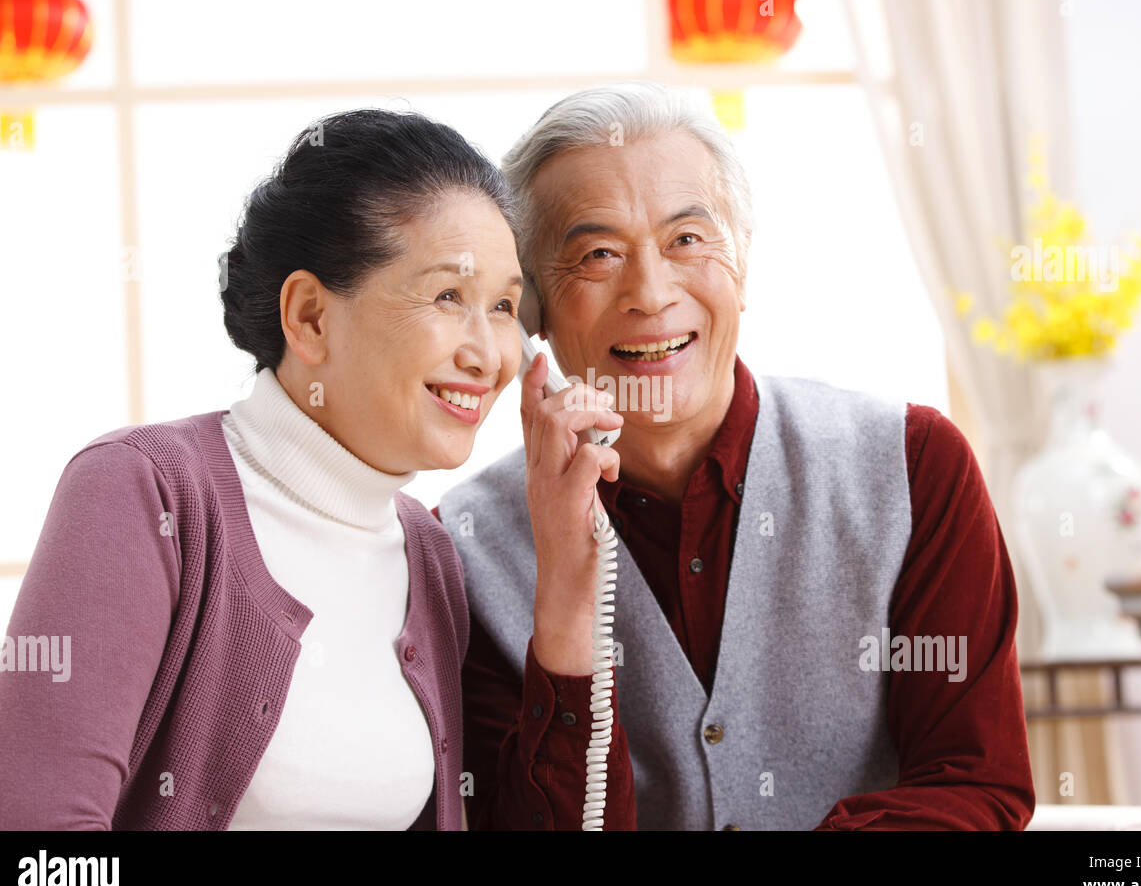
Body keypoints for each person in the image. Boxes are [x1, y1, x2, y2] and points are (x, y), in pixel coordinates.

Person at [0, 108, 617, 830]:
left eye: (502, 306)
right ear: (309, 317)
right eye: (447, 297)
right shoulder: (143, 492)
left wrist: (566, 596)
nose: (488, 353)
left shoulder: (428, 554)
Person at [437, 82, 1037, 830]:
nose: (652, 292)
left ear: (742, 267)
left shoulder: (914, 466)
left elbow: (974, 783)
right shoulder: (460, 548)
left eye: (688, 240)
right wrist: (562, 592)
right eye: (597, 255)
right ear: (536, 313)